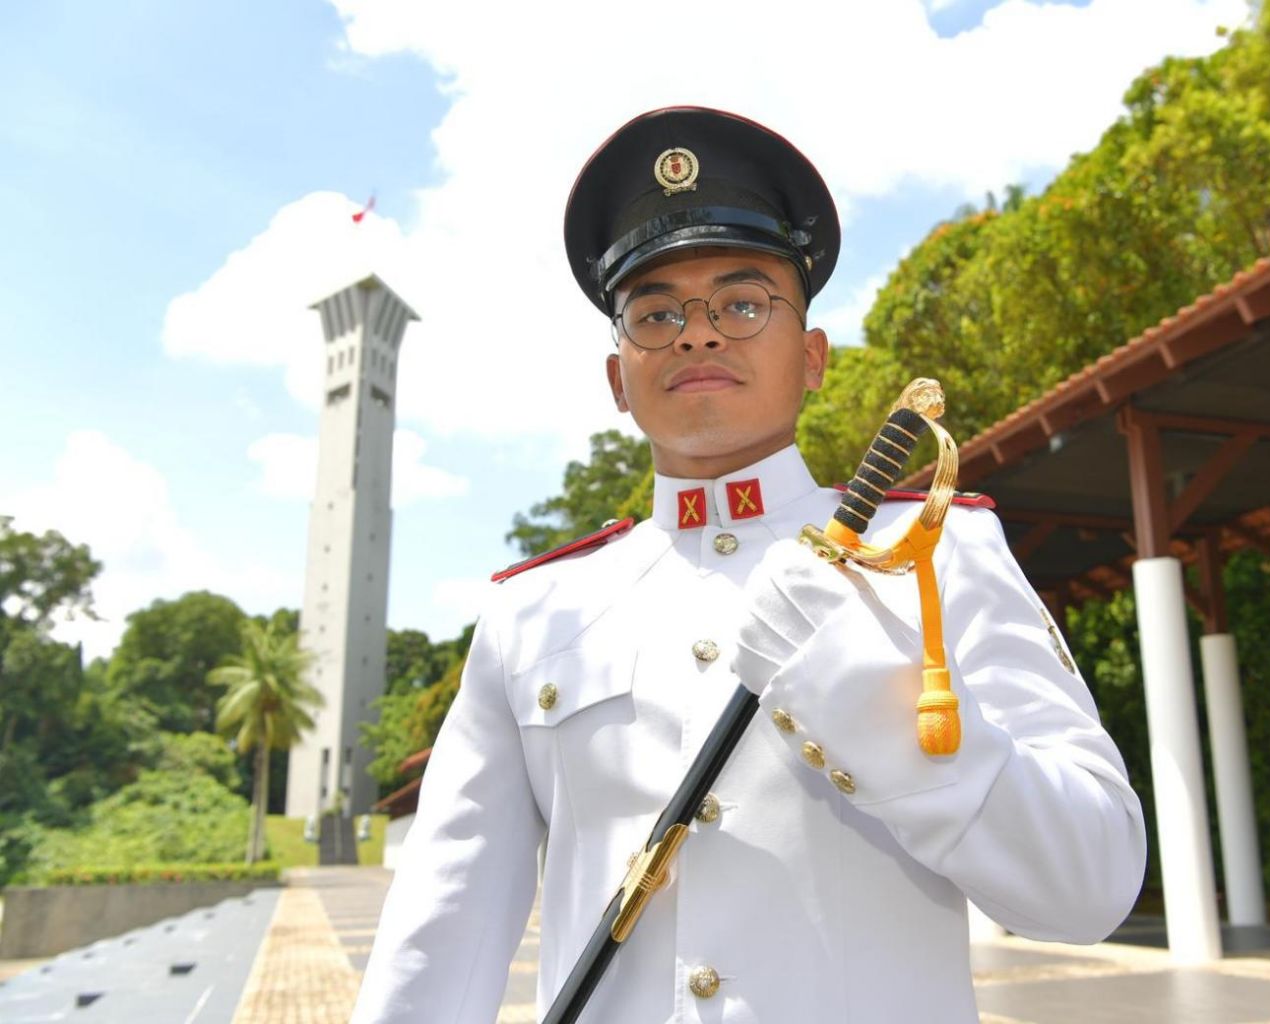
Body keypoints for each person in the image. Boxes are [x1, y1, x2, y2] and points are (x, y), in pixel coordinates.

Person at [351, 106, 1146, 1024]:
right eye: (655, 314)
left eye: (741, 302)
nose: (696, 334)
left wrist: (868, 700)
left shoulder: (940, 552)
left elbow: (1092, 883)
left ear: (811, 358)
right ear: (619, 379)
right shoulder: (532, 613)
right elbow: (440, 931)